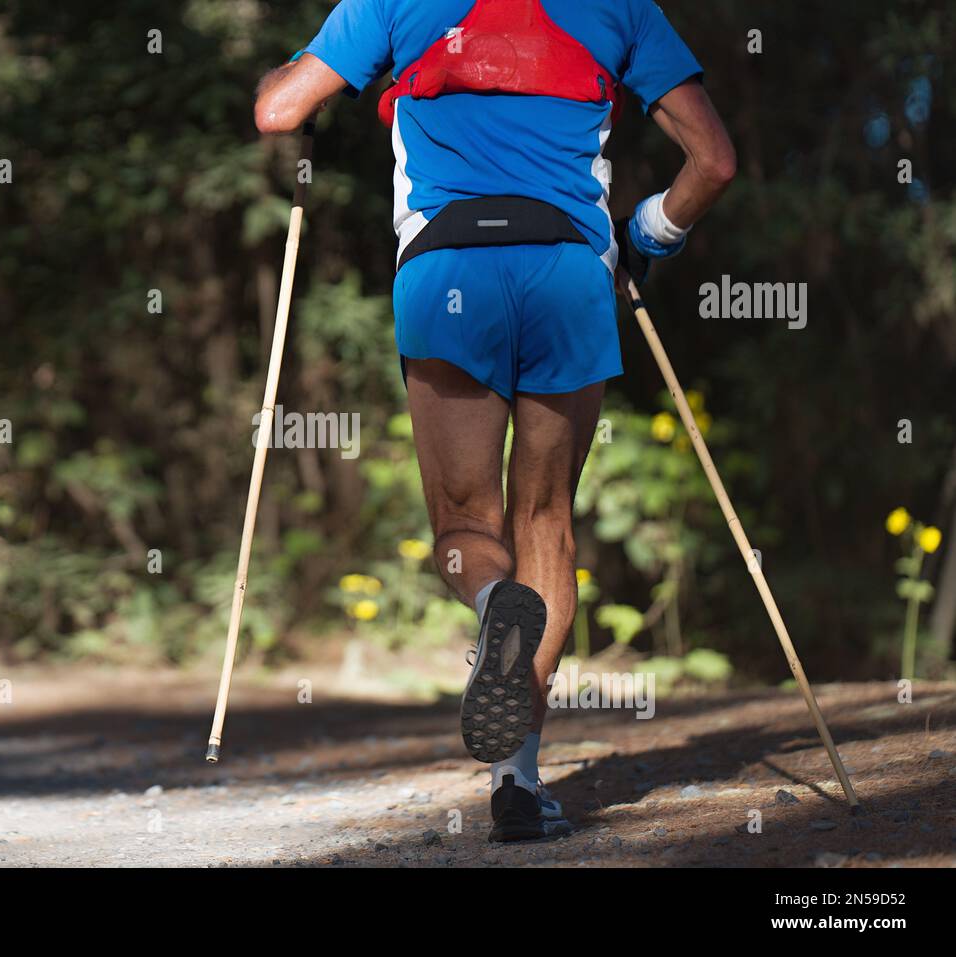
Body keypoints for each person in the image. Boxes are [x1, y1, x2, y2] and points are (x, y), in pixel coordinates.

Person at [254, 0, 735, 842]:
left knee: (464, 525)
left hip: (449, 270)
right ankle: (517, 780)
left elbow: (279, 109)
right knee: (545, 522)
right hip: (567, 271)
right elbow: (715, 162)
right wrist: (647, 236)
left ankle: (490, 604)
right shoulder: (621, 7)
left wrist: (285, 73)